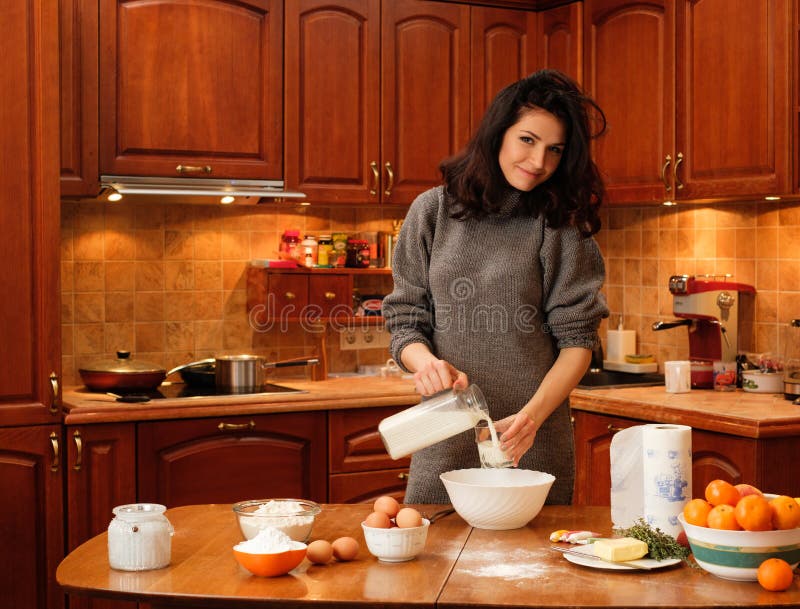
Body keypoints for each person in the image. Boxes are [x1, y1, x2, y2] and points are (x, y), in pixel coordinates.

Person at [381, 69, 609, 505]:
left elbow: (578, 343)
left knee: (530, 549)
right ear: (497, 133)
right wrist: (426, 364)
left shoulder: (559, 225)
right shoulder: (433, 212)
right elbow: (406, 321)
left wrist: (530, 420)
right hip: (444, 435)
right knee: (434, 545)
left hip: (529, 441)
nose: (538, 161)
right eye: (527, 140)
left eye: (555, 149)